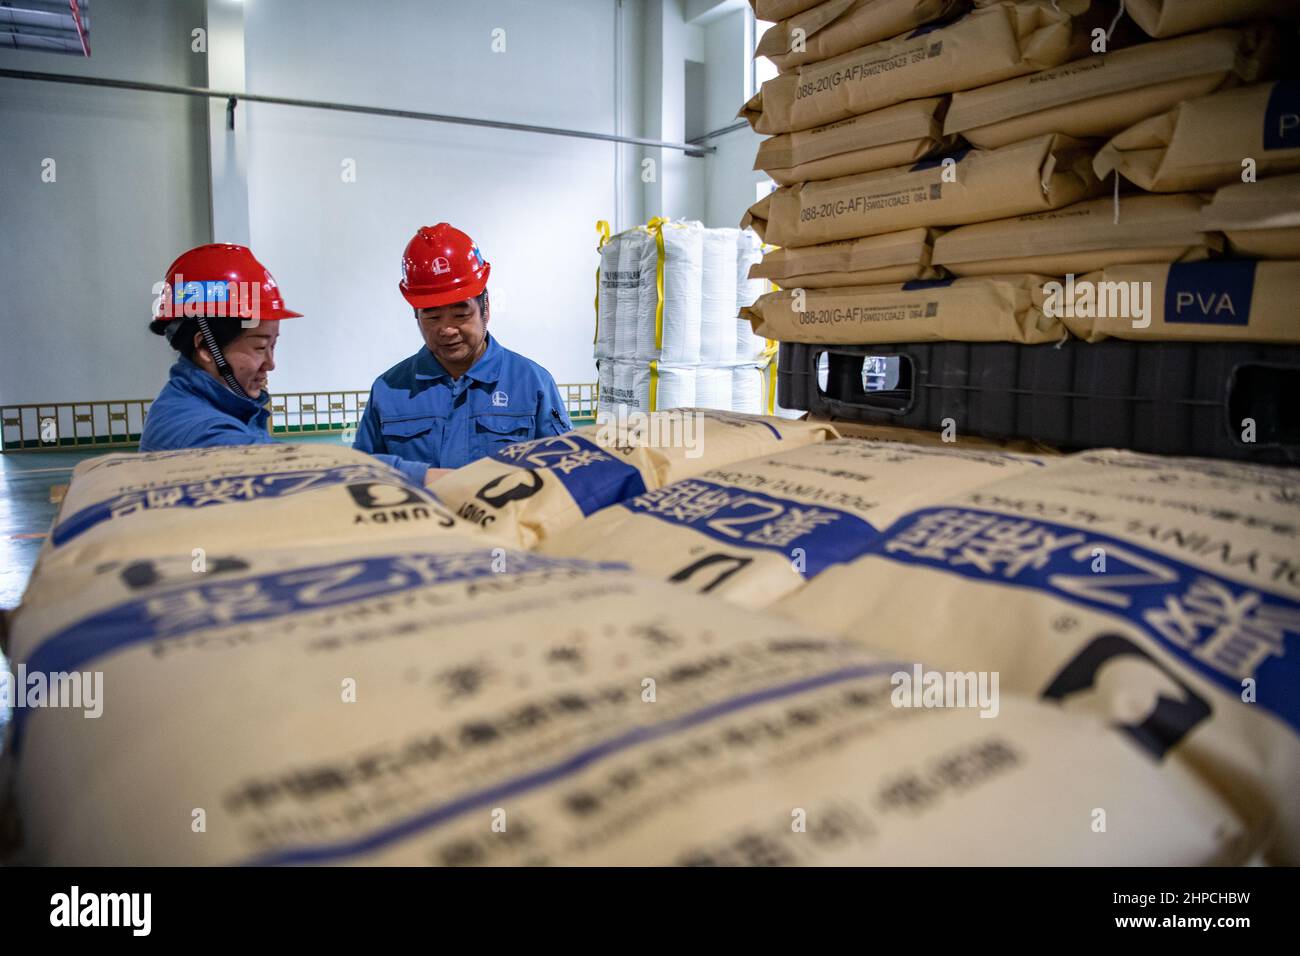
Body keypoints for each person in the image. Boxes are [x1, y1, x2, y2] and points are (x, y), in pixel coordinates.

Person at [141, 243, 430, 481]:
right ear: (205, 347)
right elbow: (304, 470)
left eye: (274, 345)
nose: (271, 363)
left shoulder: (217, 407)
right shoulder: (199, 434)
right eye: (260, 346)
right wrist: (427, 478)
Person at [353, 224, 572, 479]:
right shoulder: (389, 389)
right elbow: (358, 472)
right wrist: (423, 477)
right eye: (432, 316)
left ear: (485, 308)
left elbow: (565, 470)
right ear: (416, 315)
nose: (446, 330)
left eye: (460, 314)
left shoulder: (532, 383)